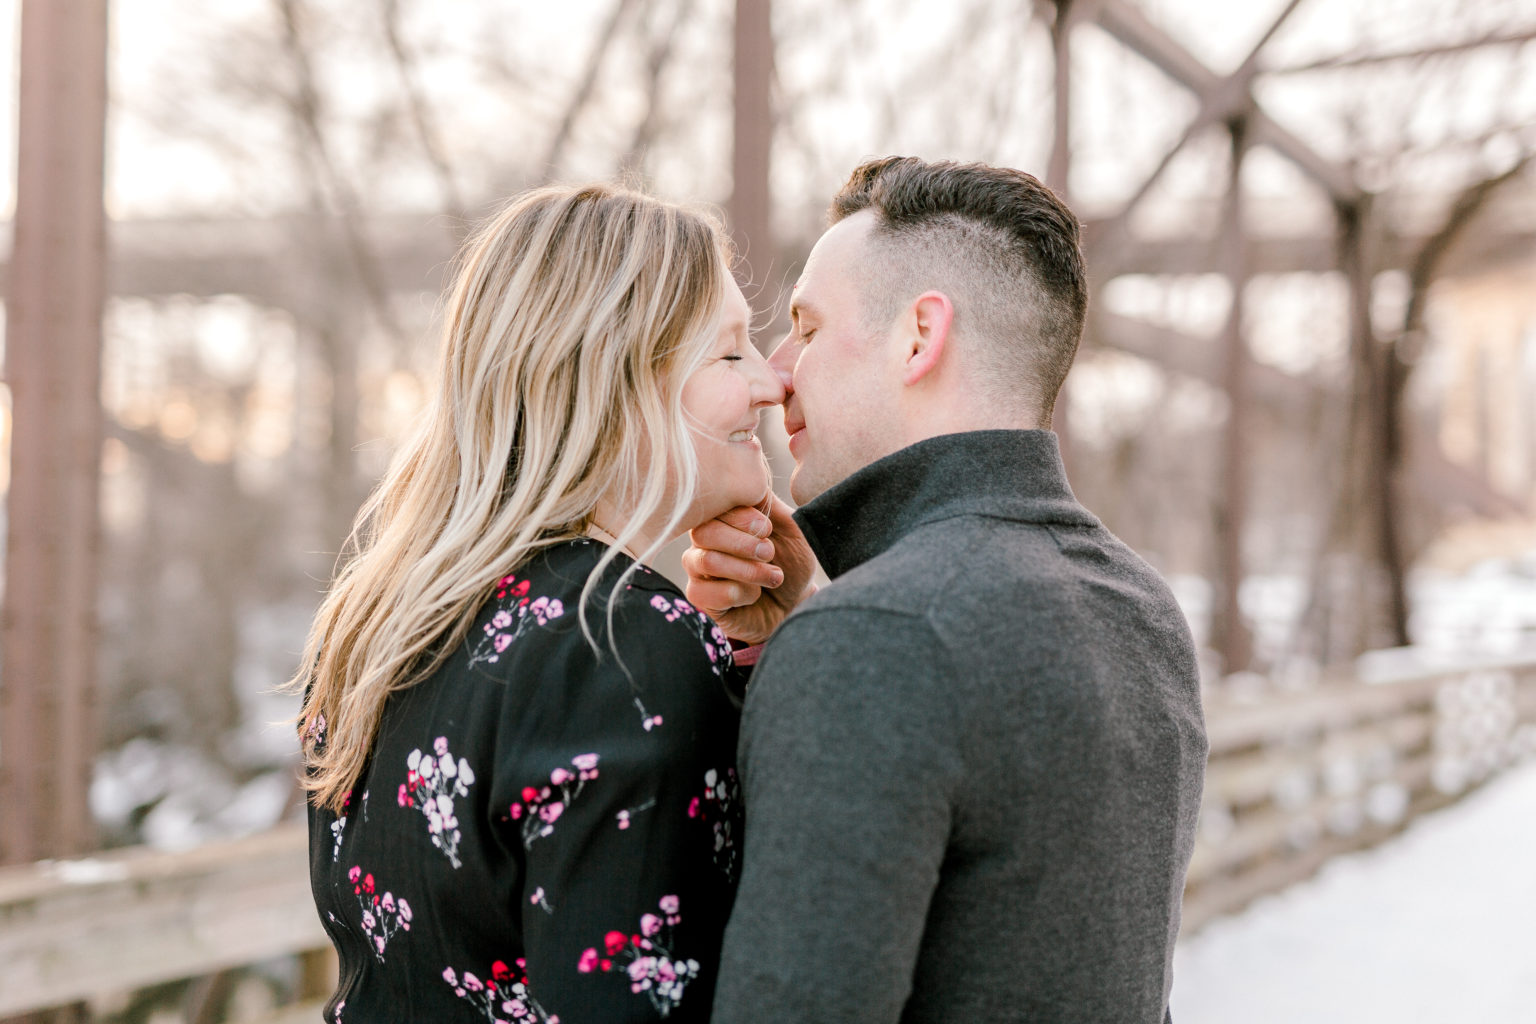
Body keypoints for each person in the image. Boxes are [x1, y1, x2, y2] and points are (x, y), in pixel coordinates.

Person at [684, 157, 1209, 1023]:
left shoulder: (880, 638)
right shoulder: (1140, 608)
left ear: (919, 337)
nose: (778, 374)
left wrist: (833, 636)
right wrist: (790, 639)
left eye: (808, 328)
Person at [290, 183, 783, 1023]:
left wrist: (774, 649)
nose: (770, 384)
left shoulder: (379, 625)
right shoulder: (621, 647)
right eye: (731, 354)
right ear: (618, 379)